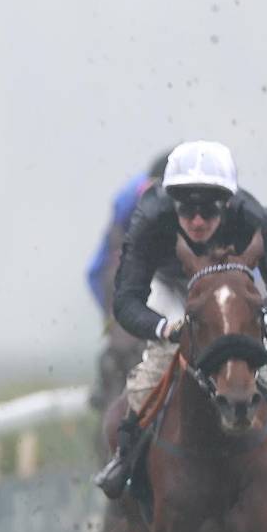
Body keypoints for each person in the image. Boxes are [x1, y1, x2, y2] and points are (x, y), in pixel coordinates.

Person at [95, 139, 267, 498]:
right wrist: (162, 328)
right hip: (171, 289)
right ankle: (126, 457)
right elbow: (127, 300)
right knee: (150, 372)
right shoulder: (149, 217)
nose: (197, 221)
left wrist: (257, 318)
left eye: (209, 211)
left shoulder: (253, 218)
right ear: (170, 203)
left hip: (228, 291)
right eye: (187, 211)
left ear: (228, 205)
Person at [85, 151, 184, 414]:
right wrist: (114, 318)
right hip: (148, 275)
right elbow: (98, 270)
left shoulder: (217, 199)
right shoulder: (128, 199)